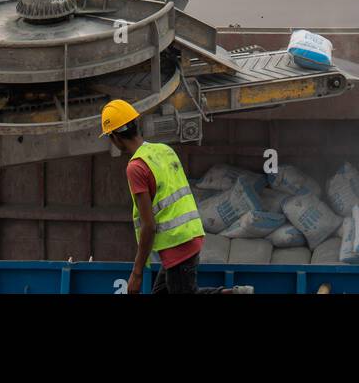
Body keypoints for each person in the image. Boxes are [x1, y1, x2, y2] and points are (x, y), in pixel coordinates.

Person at [100, 98, 253, 295]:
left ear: (115, 138)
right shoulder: (164, 150)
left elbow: (149, 226)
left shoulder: (136, 167)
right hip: (190, 234)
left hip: (177, 243)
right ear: (136, 125)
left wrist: (137, 273)